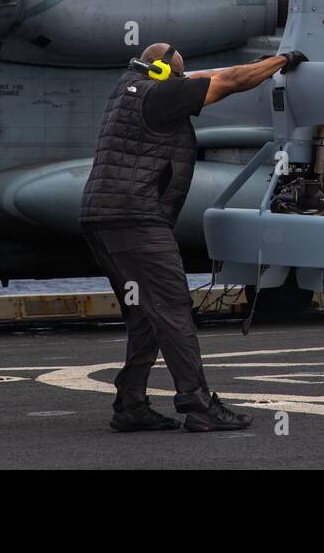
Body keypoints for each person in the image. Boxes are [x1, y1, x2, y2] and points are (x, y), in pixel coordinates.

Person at [79, 42, 307, 433]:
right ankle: (197, 403)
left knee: (146, 313)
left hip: (102, 218)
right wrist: (282, 61)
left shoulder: (130, 85)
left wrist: (257, 65)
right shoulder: (163, 95)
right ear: (165, 74)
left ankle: (130, 404)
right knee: (172, 307)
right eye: (178, 74)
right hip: (136, 218)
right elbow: (230, 82)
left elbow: (204, 78)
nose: (184, 80)